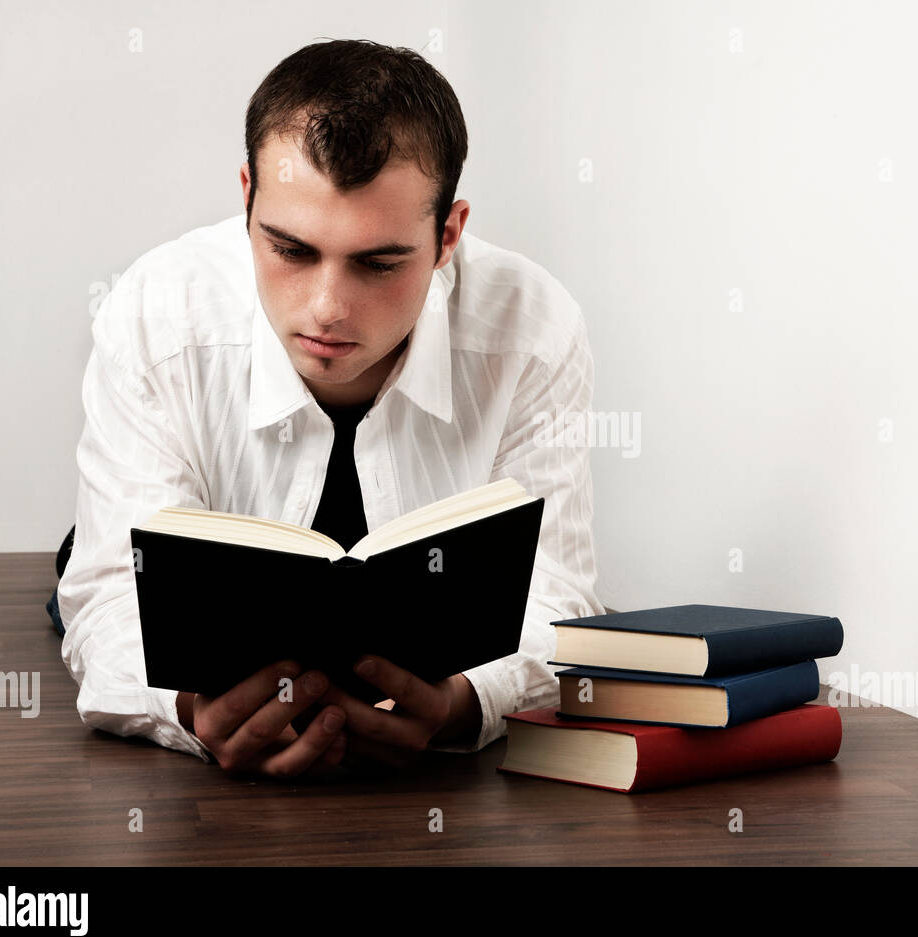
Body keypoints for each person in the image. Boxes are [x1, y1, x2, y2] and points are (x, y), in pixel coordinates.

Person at [53, 39, 605, 779]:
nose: (327, 308)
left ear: (448, 236)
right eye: (289, 248)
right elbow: (110, 594)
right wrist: (187, 710)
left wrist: (466, 703)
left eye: (378, 263)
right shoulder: (156, 313)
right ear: (247, 197)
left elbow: (558, 594)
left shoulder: (534, 329)